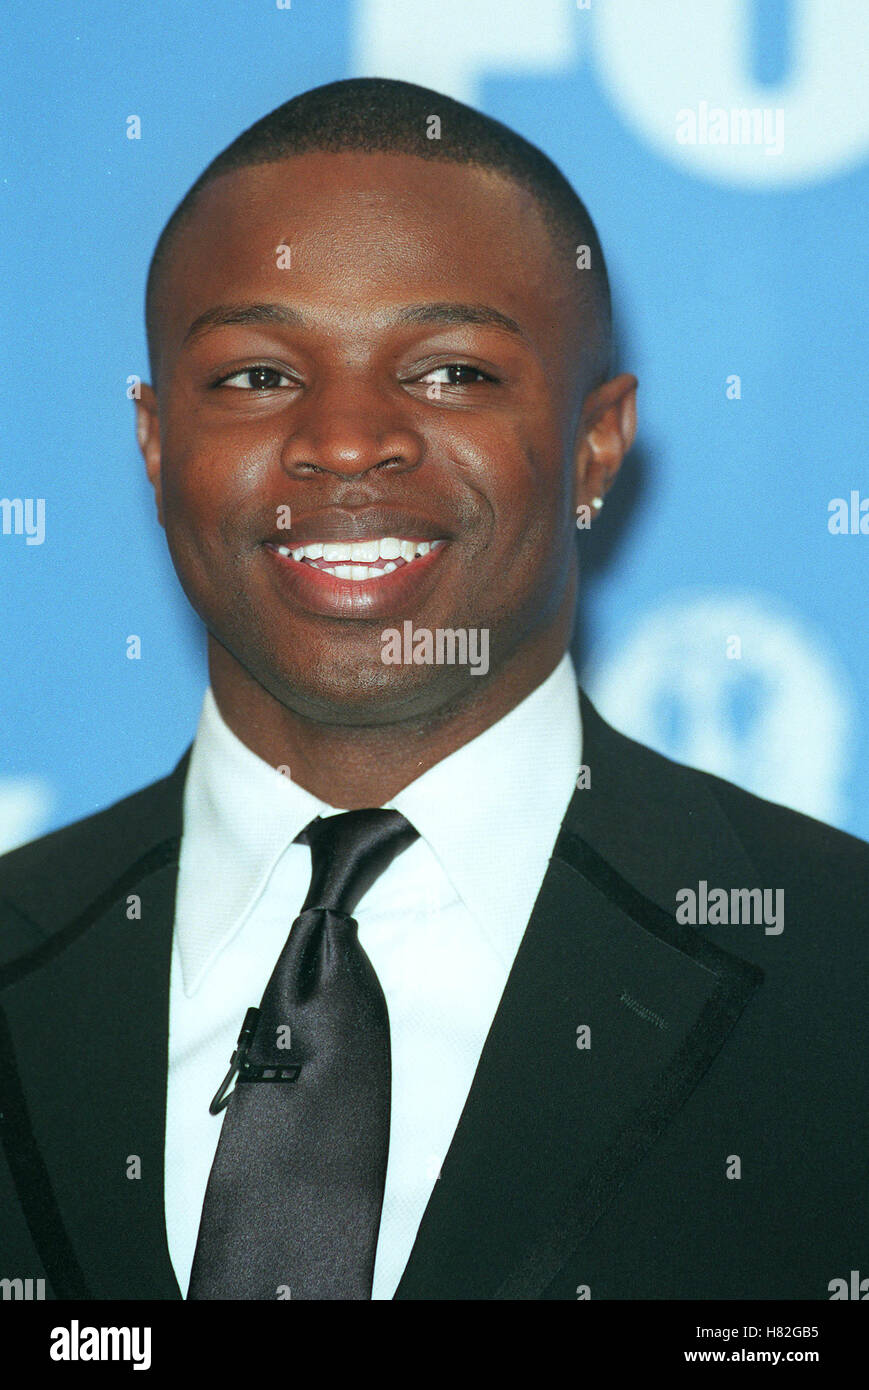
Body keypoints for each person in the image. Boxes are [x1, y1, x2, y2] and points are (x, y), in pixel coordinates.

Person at [1, 78, 866, 1302]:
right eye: (255, 375)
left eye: (452, 372)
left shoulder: (841, 973)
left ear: (593, 444)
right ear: (153, 442)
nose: (347, 441)